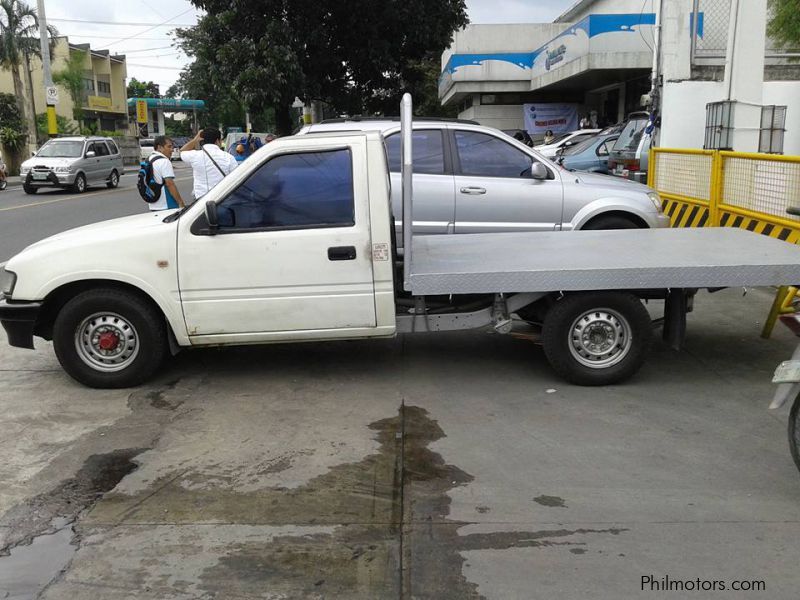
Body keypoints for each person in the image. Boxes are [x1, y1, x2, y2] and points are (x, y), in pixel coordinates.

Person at [180, 127, 238, 200]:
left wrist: (195, 140)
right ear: (217, 141)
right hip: (222, 199)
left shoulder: (195, 156)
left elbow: (182, 151)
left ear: (203, 140)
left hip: (200, 200)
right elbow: (236, 178)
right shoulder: (229, 157)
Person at [148, 136, 185, 211]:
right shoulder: (164, 161)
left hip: (153, 204)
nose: (172, 150)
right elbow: (169, 184)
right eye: (169, 147)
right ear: (159, 147)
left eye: (172, 147)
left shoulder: (149, 159)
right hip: (167, 204)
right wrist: (181, 203)